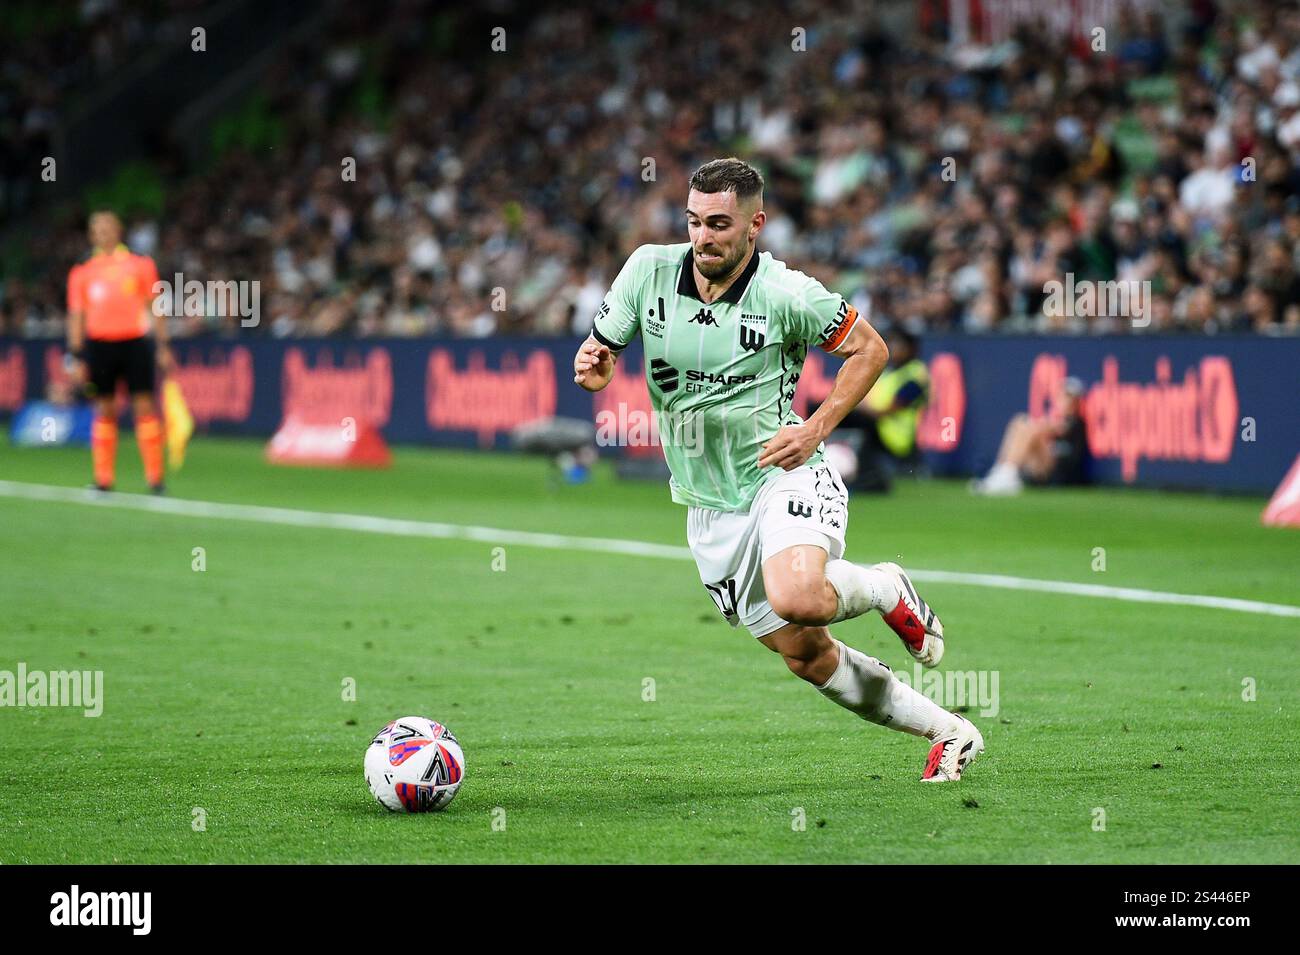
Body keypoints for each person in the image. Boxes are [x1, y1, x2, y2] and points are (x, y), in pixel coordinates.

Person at [573, 158, 983, 782]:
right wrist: (595, 367)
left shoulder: (787, 293)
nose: (703, 237)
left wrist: (816, 426)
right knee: (805, 654)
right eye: (693, 222)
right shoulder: (645, 272)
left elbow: (871, 350)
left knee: (797, 596)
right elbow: (601, 352)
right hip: (710, 505)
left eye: (718, 224)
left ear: (755, 224)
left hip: (783, 474)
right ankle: (949, 732)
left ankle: (883, 587)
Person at [65, 211, 174, 493]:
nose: (103, 233)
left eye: (107, 227)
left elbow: (155, 305)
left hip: (135, 343)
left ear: (119, 230)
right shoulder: (82, 270)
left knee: (145, 406)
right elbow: (76, 314)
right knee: (105, 409)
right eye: (97, 229)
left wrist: (162, 345)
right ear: (91, 235)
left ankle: (155, 478)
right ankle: (103, 479)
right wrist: (75, 355)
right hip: (100, 346)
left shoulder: (140, 264)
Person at [835, 326, 930, 492]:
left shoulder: (915, 375)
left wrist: (859, 407)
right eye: (892, 343)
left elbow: (890, 409)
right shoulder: (891, 372)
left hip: (896, 435)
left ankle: (864, 476)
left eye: (898, 344)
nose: (893, 348)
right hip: (879, 426)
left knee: (849, 417)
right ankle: (844, 467)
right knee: (835, 413)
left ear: (911, 348)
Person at [971, 377, 1090, 495]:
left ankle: (1007, 475)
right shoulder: (1057, 419)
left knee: (1030, 427)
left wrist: (1046, 428)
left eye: (1069, 398)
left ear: (1077, 402)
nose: (1065, 401)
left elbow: (1062, 440)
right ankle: (1002, 472)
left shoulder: (1076, 423)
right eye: (1064, 396)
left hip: (1054, 472)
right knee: (1019, 421)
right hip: (1038, 465)